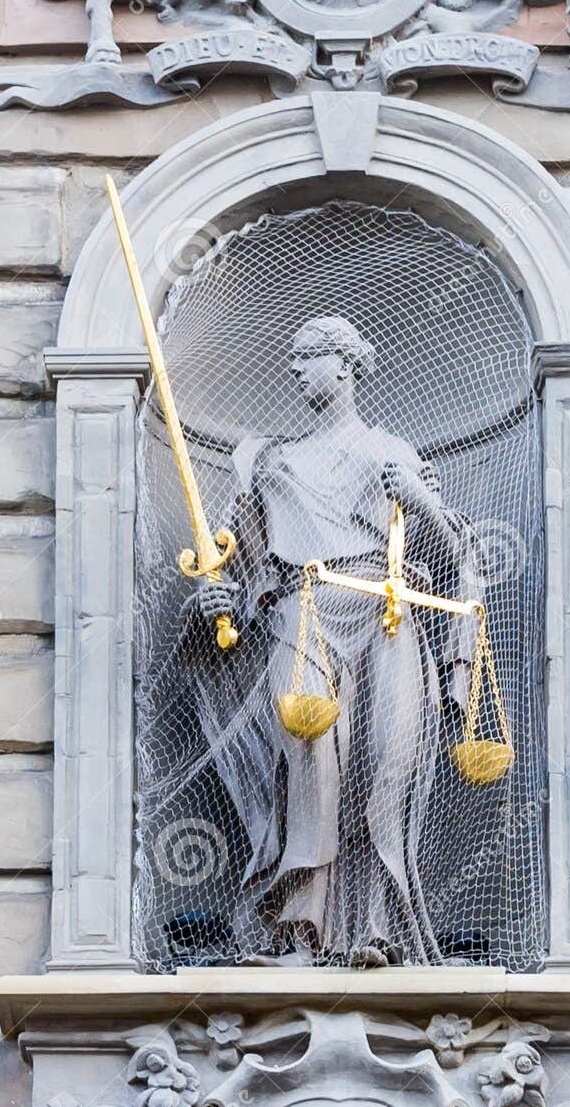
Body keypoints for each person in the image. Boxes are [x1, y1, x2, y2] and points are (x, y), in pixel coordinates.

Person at [183, 314, 484, 966]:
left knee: (387, 764)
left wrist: (420, 501)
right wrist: (214, 601)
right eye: (293, 358)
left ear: (344, 364)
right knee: (309, 763)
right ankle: (300, 934)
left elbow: (455, 554)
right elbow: (237, 569)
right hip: (303, 612)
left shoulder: (393, 452)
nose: (294, 369)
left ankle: (377, 930)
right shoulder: (270, 461)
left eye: (307, 356)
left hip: (386, 613)